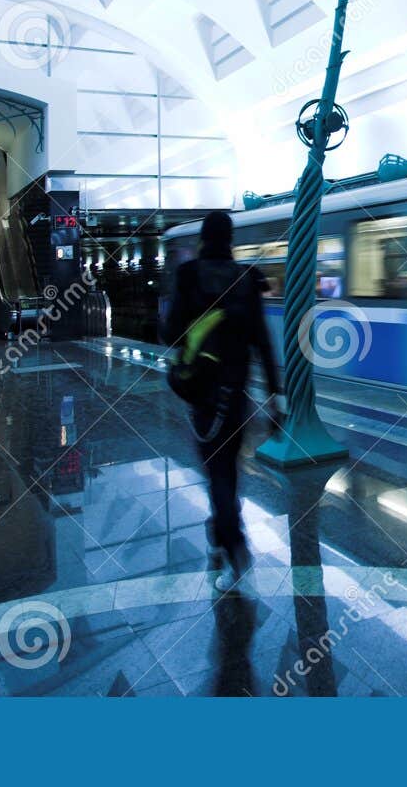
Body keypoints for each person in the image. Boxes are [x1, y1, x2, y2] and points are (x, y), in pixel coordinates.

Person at [163, 209, 281, 587]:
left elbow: (169, 333)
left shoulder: (189, 276)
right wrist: (277, 398)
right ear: (231, 241)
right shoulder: (246, 279)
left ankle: (234, 543)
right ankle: (220, 533)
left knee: (216, 472)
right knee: (227, 469)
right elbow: (263, 342)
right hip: (237, 394)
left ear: (203, 238)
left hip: (201, 394)